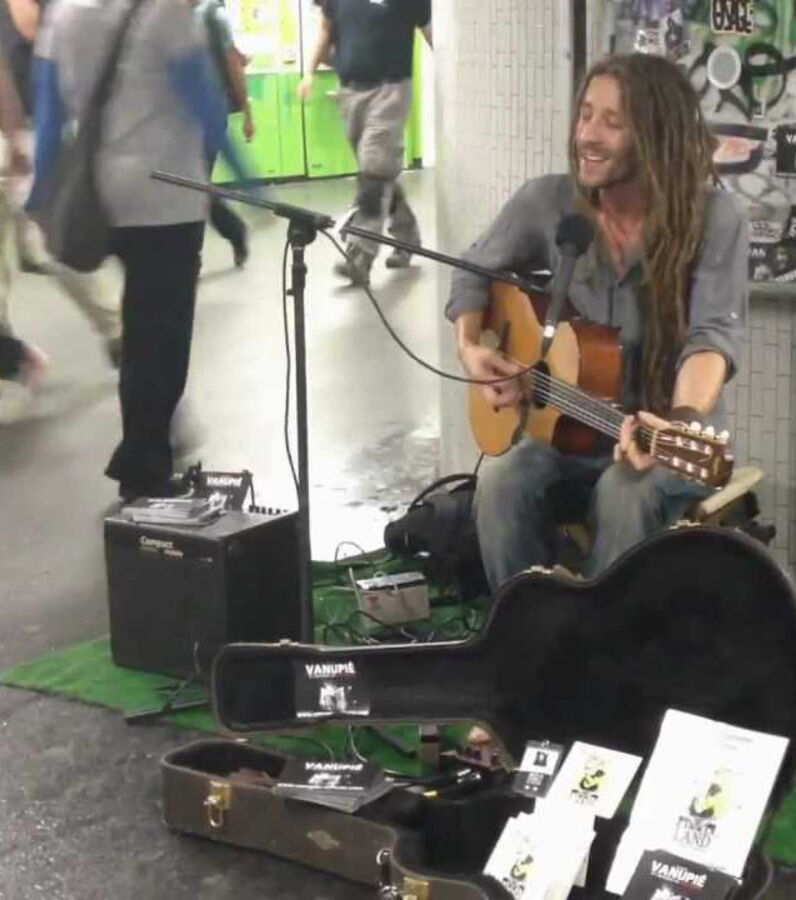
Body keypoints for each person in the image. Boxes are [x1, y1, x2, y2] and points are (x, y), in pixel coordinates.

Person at [446, 53, 748, 590]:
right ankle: (524, 640)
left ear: (657, 135)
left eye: (613, 121)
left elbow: (710, 339)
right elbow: (471, 272)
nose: (588, 134)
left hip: (664, 438)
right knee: (501, 480)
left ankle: (602, 655)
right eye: (585, 115)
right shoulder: (547, 200)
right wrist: (472, 349)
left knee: (625, 490)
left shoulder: (715, 219)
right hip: (565, 437)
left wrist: (676, 420)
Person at [29, 0, 241, 500]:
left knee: (140, 331)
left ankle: (143, 449)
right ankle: (143, 464)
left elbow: (49, 109)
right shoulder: (165, 12)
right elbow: (207, 107)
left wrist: (42, 190)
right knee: (162, 341)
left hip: (103, 196)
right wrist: (243, 178)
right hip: (167, 198)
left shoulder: (64, 13)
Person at [0, 0, 122, 366]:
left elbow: (40, 43)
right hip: (17, 130)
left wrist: (17, 131)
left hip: (32, 132)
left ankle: (117, 327)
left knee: (50, 242)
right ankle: (7, 352)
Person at [299, 0, 431, 285]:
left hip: (391, 89)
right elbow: (327, 30)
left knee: (374, 170)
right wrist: (308, 71)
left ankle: (360, 253)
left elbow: (433, 34)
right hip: (351, 92)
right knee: (379, 173)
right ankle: (408, 234)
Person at [193, 0, 252, 268]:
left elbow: (233, 65)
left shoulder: (214, 16)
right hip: (179, 119)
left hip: (209, 115)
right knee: (193, 185)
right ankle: (234, 231)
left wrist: (247, 113)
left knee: (193, 185)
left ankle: (191, 255)